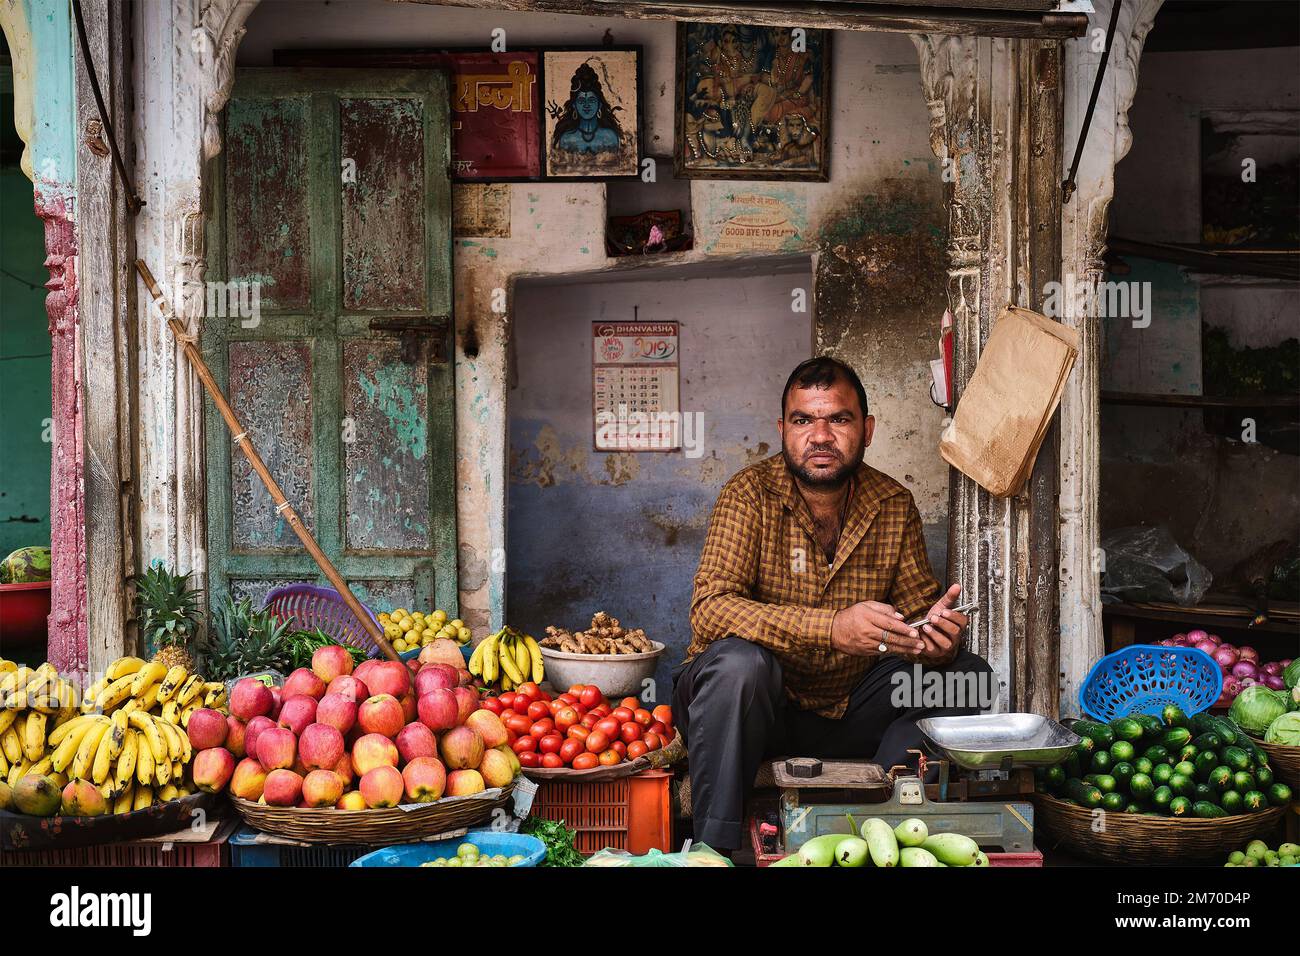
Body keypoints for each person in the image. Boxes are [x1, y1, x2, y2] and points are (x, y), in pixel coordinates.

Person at [672, 356, 994, 851]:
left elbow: (918, 617)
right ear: (782, 429)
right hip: (758, 712)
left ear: (866, 429)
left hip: (849, 713)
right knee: (739, 665)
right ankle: (713, 851)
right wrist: (830, 628)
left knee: (966, 676)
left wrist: (936, 640)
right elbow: (710, 609)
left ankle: (884, 822)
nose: (820, 435)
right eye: (803, 420)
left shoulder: (892, 503)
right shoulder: (748, 495)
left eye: (838, 419)